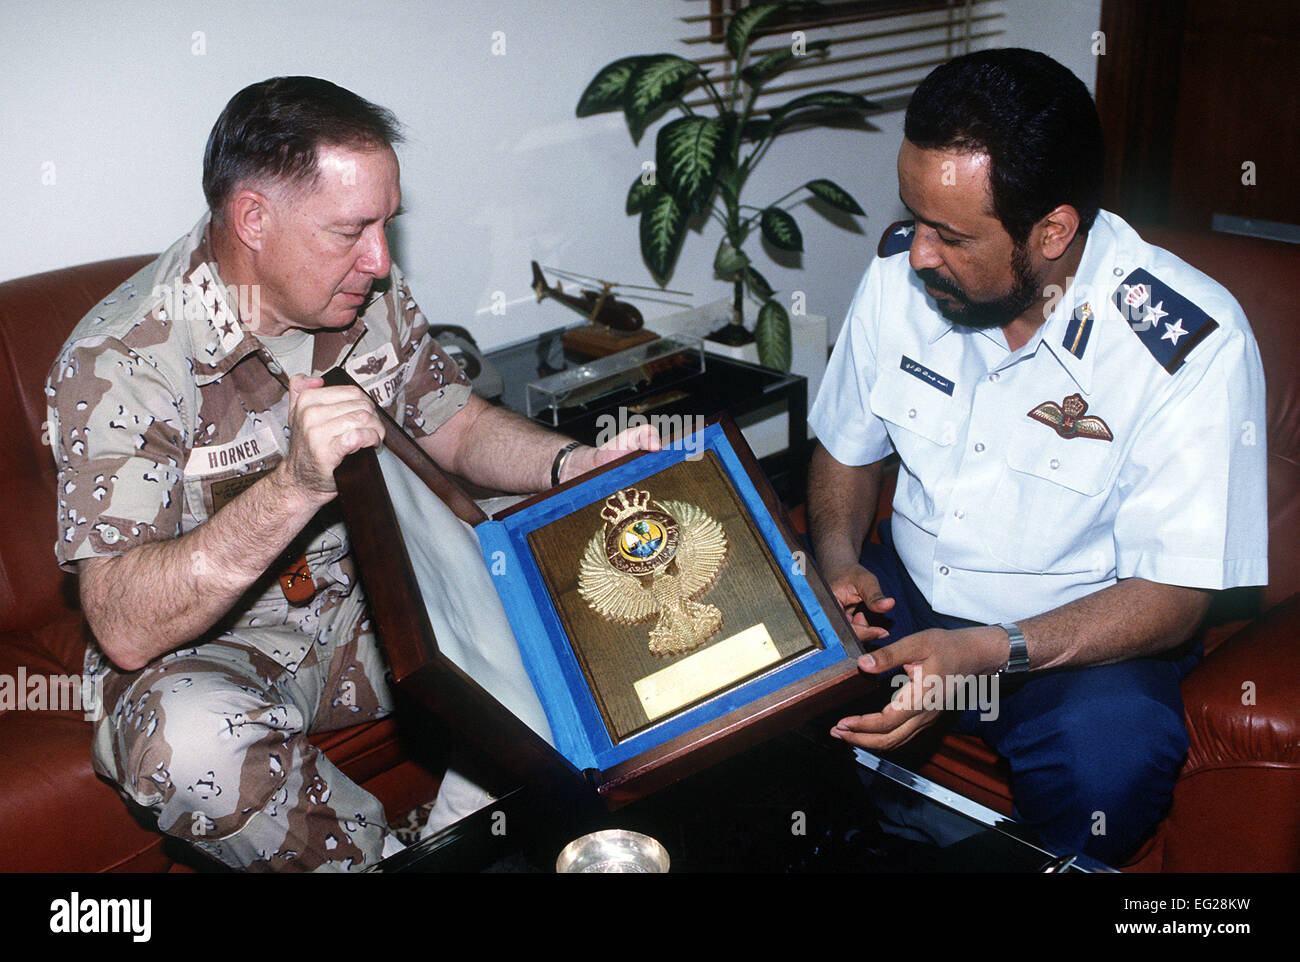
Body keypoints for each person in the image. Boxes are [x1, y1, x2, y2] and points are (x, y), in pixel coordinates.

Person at [46, 76, 657, 872]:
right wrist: (293, 485)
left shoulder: (360, 290)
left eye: (386, 225)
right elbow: (125, 626)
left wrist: (574, 465)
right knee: (187, 742)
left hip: (379, 595)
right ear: (254, 219)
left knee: (574, 572)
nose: (379, 259)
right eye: (350, 230)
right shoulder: (122, 359)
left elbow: (454, 422)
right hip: (221, 645)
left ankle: (451, 844)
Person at [807, 48, 1267, 864]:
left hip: (1075, 640)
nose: (918, 254)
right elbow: (845, 449)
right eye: (914, 218)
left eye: (951, 235)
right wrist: (837, 562)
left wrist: (983, 654)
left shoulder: (1187, 343)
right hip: (906, 597)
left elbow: (1175, 598)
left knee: (1111, 758)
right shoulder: (903, 275)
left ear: (1053, 230)